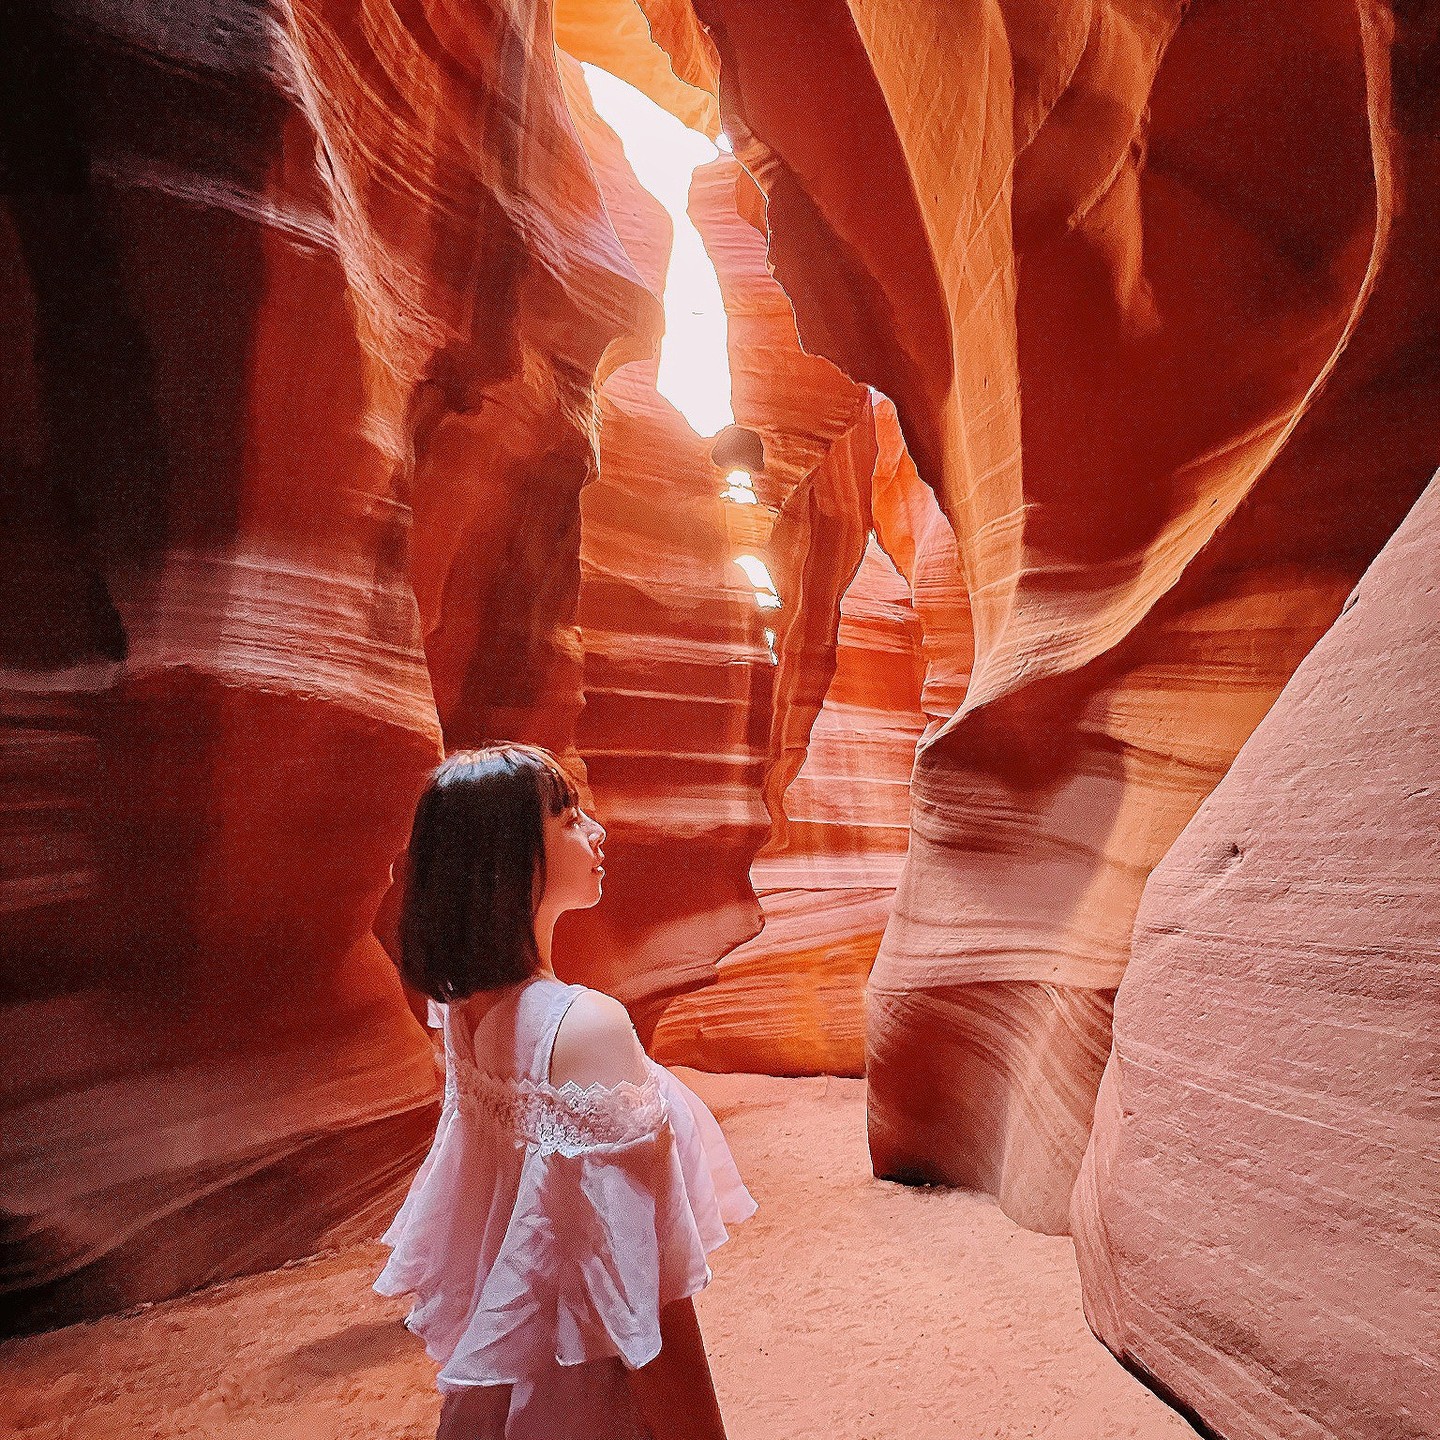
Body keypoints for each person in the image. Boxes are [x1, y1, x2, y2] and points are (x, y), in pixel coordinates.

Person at [373, 743, 756, 1440]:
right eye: (571, 818)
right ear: (511, 856)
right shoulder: (583, 1026)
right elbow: (646, 1300)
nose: (597, 831)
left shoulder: (462, 1010)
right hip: (590, 1401)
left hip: (517, 1390)